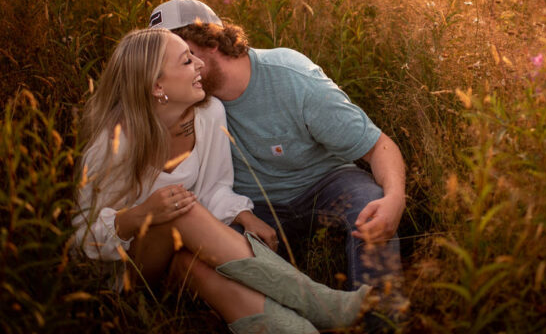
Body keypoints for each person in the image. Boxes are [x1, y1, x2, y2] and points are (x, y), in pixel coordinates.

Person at [73, 27, 371, 334]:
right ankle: (318, 302)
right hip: (132, 271)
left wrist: (242, 215)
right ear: (157, 85)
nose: (199, 64)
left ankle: (301, 326)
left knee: (196, 263)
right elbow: (84, 237)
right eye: (186, 61)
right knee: (180, 209)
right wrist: (144, 214)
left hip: (184, 261)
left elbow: (214, 188)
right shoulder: (115, 143)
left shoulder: (208, 114)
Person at [148, 0, 407, 313]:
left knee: (371, 204)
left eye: (183, 53)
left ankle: (381, 319)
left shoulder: (292, 78)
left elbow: (378, 146)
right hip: (252, 206)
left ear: (212, 41)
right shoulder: (187, 99)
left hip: (325, 184)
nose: (175, 68)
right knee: (200, 254)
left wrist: (395, 197)